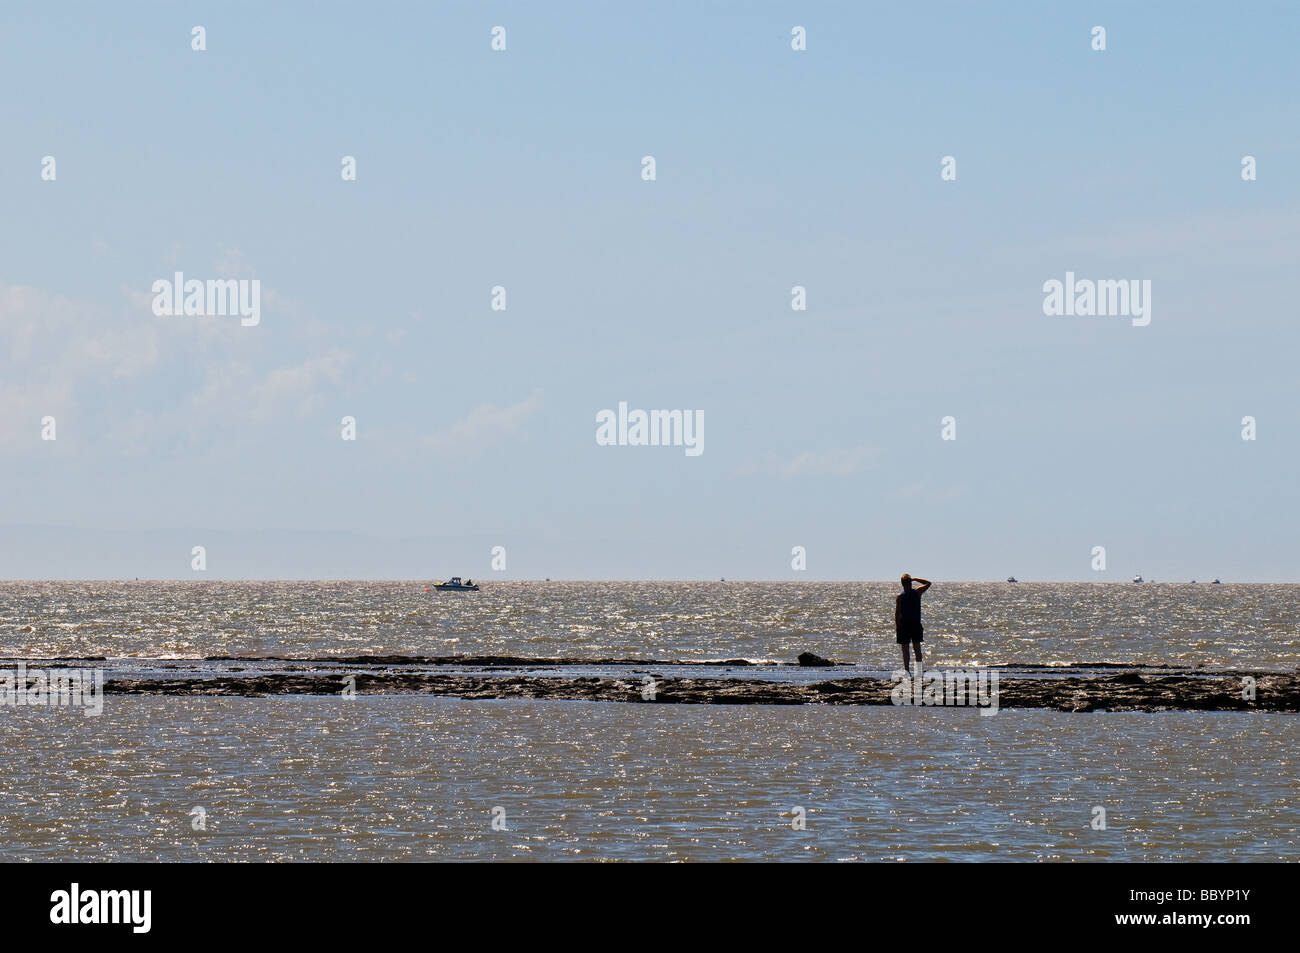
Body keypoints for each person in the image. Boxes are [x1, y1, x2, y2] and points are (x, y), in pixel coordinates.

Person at [895, 574, 931, 673]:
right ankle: (918, 671)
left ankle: (907, 670)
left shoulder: (900, 596)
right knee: (917, 649)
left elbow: (897, 613)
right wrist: (916, 579)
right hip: (915, 624)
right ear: (910, 583)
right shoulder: (917, 592)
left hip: (904, 625)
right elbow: (928, 583)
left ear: (902, 583)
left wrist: (897, 626)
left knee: (906, 651)